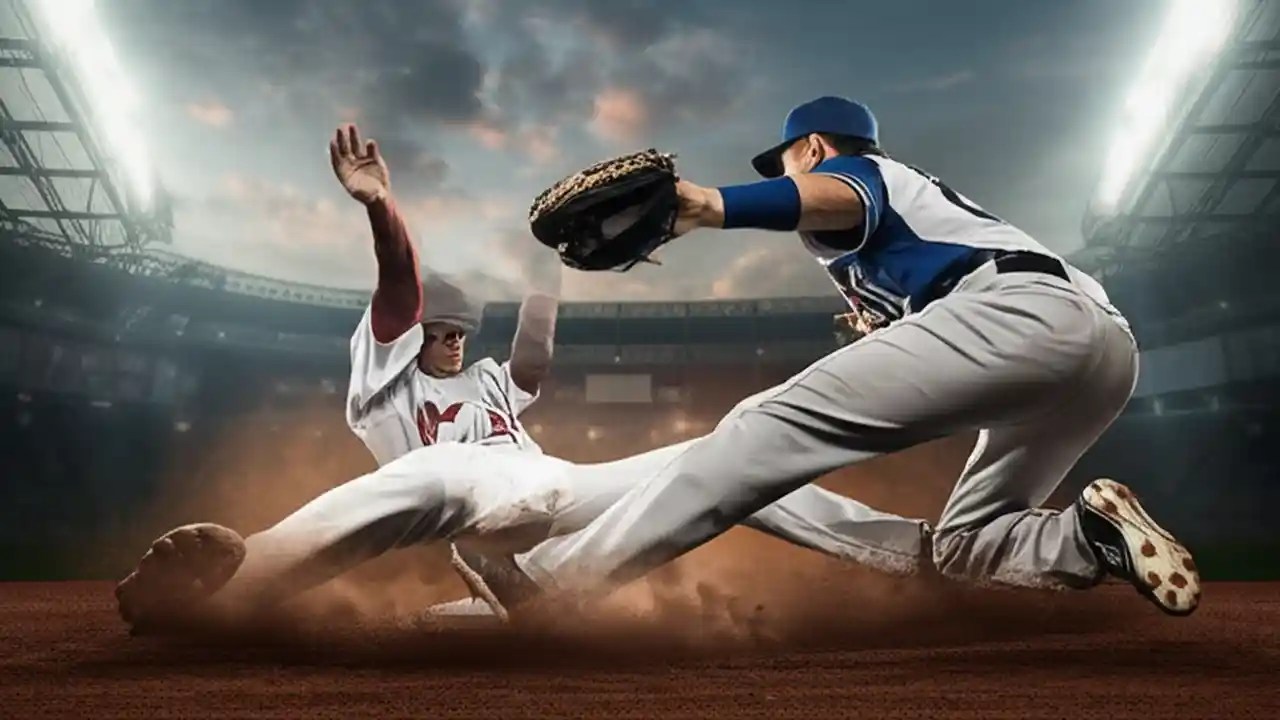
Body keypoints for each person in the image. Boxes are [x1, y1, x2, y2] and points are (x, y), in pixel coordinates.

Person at [113, 123, 937, 632]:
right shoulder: (386, 377)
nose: (448, 338)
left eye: (459, 330)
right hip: (454, 495)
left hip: (559, 492)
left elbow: (534, 357)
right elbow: (398, 286)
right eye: (438, 328)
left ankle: (924, 561)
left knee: (739, 454)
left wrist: (552, 275)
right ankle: (220, 596)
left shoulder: (489, 383)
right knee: (423, 476)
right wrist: (379, 208)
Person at [462, 96, 1201, 619]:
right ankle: (1088, 536)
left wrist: (709, 204)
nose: (787, 168)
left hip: (1020, 317)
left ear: (812, 147)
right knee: (966, 546)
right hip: (1101, 352)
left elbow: (834, 196)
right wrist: (885, 323)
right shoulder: (904, 231)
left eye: (787, 158)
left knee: (758, 428)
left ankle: (558, 583)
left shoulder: (872, 175)